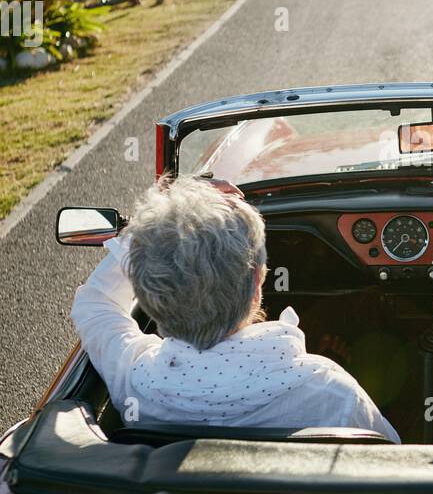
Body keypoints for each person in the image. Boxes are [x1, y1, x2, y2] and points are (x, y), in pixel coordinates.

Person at [71, 176, 400, 442]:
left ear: (148, 293)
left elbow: (96, 302)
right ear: (257, 282)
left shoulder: (137, 380)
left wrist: (155, 225)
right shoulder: (334, 394)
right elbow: (390, 461)